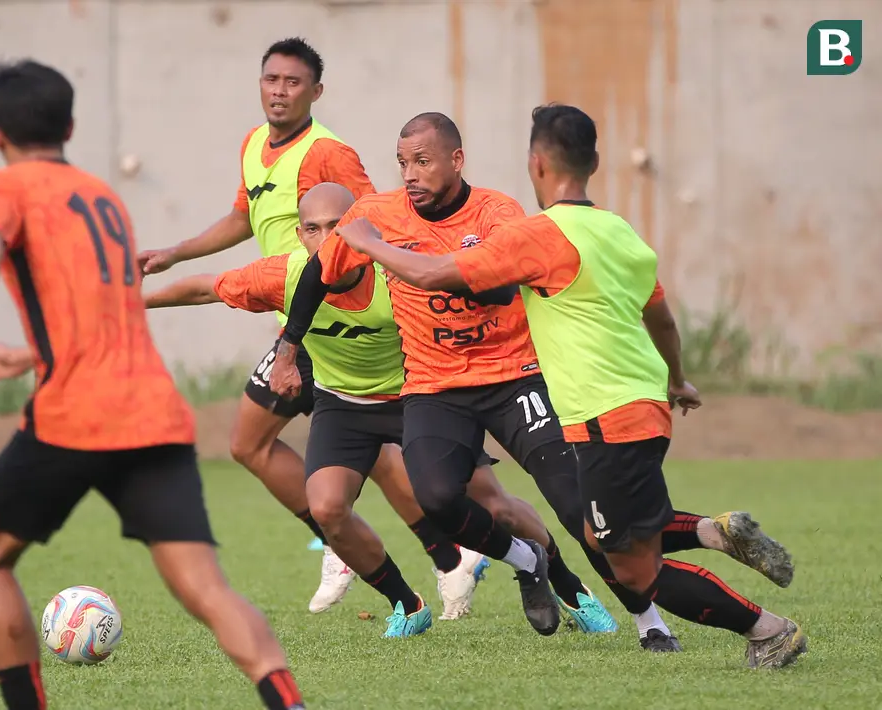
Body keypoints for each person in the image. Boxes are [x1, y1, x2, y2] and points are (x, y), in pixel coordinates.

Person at [331, 103, 806, 669]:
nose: (409, 173)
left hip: (591, 409)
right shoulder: (618, 229)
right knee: (597, 526)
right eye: (402, 162)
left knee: (627, 557)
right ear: (595, 163)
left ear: (535, 166)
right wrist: (678, 378)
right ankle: (711, 533)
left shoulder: (532, 233)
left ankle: (759, 627)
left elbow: (438, 275)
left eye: (422, 161)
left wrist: (367, 240)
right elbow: (662, 318)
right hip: (640, 404)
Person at [0, 59, 306, 710]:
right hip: (155, 413)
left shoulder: (2, 186)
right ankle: (288, 701)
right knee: (206, 590)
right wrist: (33, 355)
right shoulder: (102, 198)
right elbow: (102, 309)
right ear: (71, 126)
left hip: (73, 415)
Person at [145, 182, 593, 632]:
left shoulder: (394, 271)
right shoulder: (286, 276)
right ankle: (407, 604)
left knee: (493, 504)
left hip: (418, 397)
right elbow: (205, 289)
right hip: (344, 407)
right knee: (327, 508)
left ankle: (571, 588)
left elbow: (469, 291)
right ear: (300, 236)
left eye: (336, 227)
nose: (325, 239)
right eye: (312, 229)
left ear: (360, 229)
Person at [136, 37, 377, 613]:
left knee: (382, 447)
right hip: (295, 317)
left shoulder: (329, 153)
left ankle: (453, 545)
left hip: (339, 317)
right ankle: (383, 540)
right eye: (272, 79)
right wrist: (177, 252)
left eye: (293, 82)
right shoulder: (253, 144)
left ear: (315, 91)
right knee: (253, 443)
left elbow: (373, 225)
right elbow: (243, 218)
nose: (279, 90)